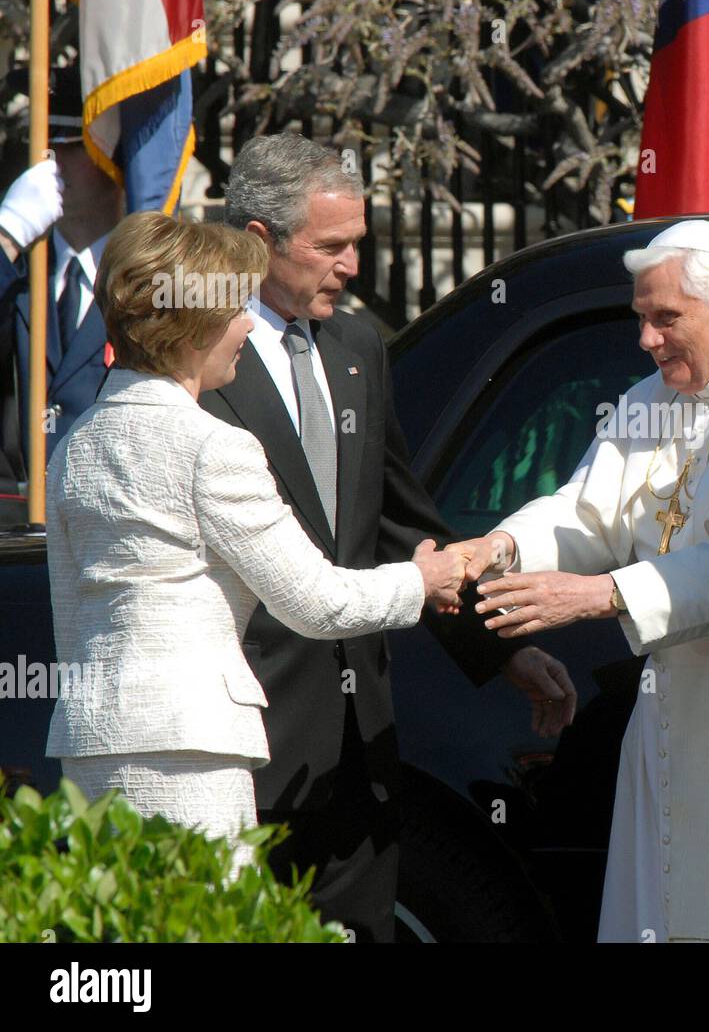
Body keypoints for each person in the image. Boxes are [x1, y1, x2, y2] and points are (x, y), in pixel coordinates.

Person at [203, 133, 574, 941]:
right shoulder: (195, 353)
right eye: (331, 247)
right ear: (261, 241)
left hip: (358, 744)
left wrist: (497, 642)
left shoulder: (357, 347)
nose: (351, 267)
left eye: (357, 245)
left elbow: (399, 520)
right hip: (246, 737)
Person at [44, 212, 463, 876]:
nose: (247, 325)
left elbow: (70, 615)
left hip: (92, 740)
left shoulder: (76, 445)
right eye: (237, 308)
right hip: (193, 749)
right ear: (194, 325)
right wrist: (423, 580)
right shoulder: (214, 445)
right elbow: (318, 603)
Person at [451, 220, 709, 943]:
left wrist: (601, 594)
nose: (646, 340)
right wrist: (501, 547)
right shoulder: (650, 398)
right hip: (674, 701)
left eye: (666, 319)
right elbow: (583, 512)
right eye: (642, 319)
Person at [0, 67, 121, 495]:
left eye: (70, 145)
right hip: (16, 528)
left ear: (115, 158)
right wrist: (7, 237)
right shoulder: (14, 269)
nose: (48, 159)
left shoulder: (150, 281)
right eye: (41, 144)